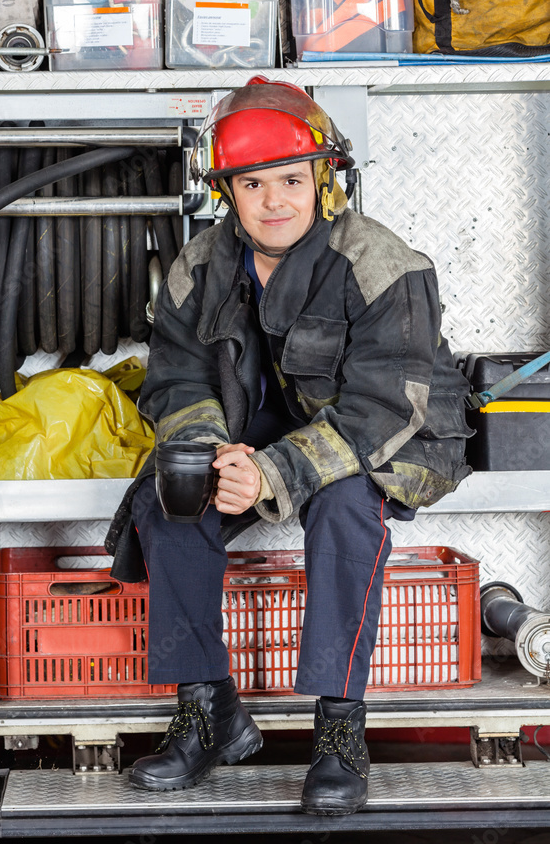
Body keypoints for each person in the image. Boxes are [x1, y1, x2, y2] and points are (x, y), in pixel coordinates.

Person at [104, 77, 472, 815]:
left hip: (393, 439)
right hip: (260, 437)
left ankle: (339, 729)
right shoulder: (198, 266)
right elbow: (174, 380)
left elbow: (379, 408)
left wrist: (270, 472)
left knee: (341, 506)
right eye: (253, 184)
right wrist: (212, 454)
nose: (275, 201)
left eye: (291, 180)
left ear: (323, 183)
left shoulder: (381, 264)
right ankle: (207, 708)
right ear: (227, 193)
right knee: (166, 489)